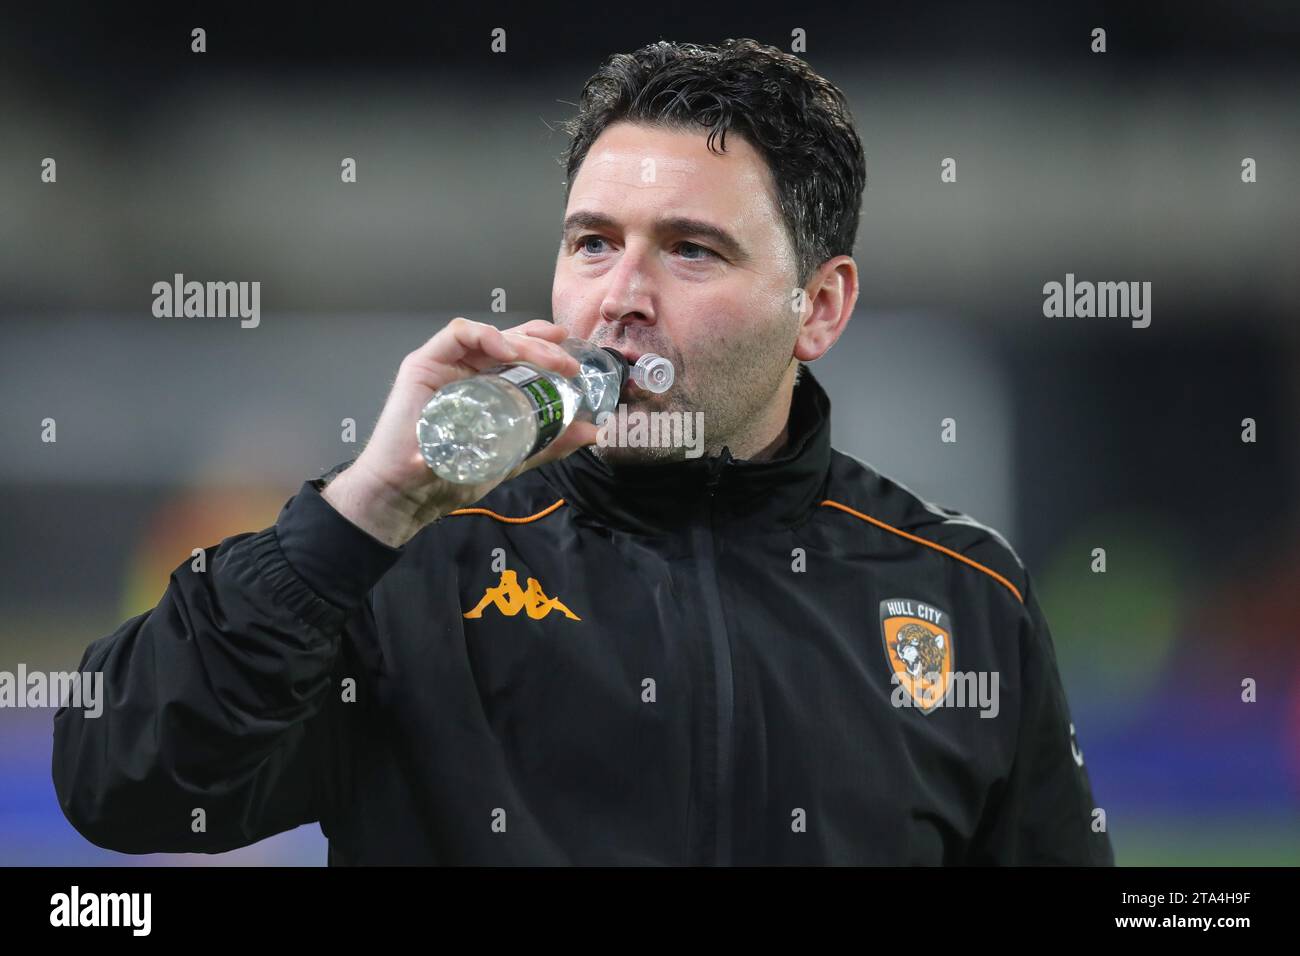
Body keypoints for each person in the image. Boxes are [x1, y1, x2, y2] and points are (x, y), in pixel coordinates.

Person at [53, 38, 1113, 865]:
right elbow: (123, 785)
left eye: (690, 250)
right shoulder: (414, 556)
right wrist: (361, 507)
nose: (622, 297)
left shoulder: (960, 587)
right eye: (593, 242)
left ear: (817, 305)